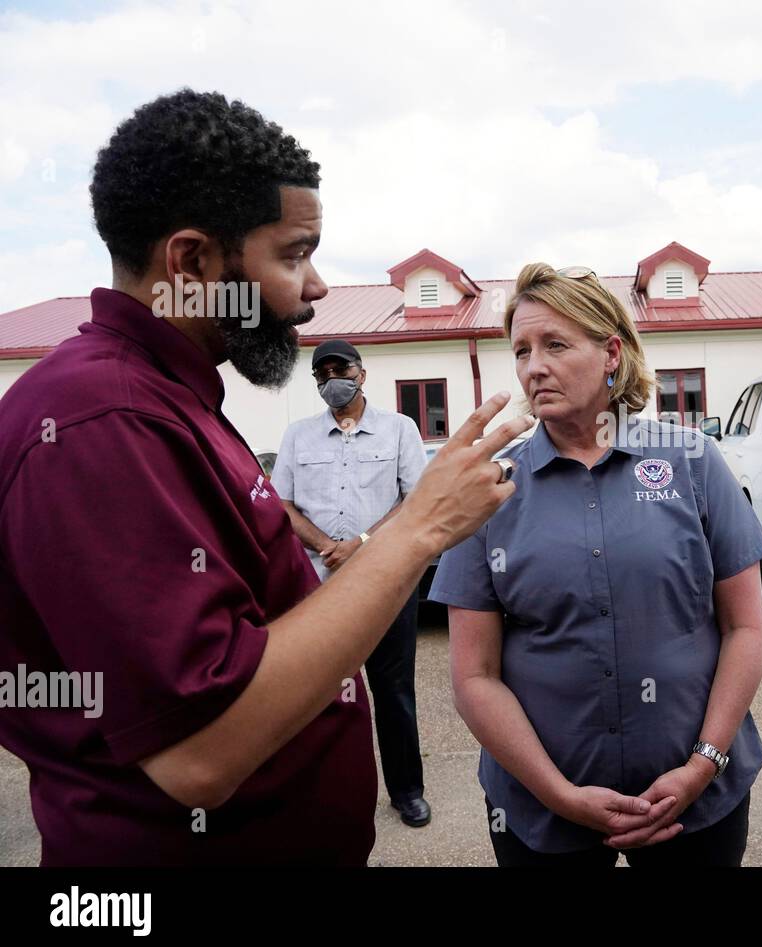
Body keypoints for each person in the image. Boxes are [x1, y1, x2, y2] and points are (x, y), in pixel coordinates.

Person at [0, 90, 529, 865]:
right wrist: (422, 528)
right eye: (292, 254)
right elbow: (200, 755)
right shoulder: (99, 421)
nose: (315, 289)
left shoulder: (170, 398)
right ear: (191, 261)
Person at [430, 264, 762, 866]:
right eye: (521, 351)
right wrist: (557, 794)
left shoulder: (691, 460)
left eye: (556, 345)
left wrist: (703, 765)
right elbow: (474, 675)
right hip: (539, 810)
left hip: (698, 799)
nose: (534, 366)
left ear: (611, 352)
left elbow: (745, 628)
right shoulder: (487, 488)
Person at [272, 339, 430, 827]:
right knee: (320, 696)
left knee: (394, 691)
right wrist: (324, 543)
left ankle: (407, 792)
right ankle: (327, 794)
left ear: (361, 375)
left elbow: (415, 500)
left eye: (339, 370)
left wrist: (360, 542)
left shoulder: (400, 429)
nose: (330, 381)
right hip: (319, 583)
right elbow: (281, 504)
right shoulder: (299, 436)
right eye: (321, 375)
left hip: (386, 582)